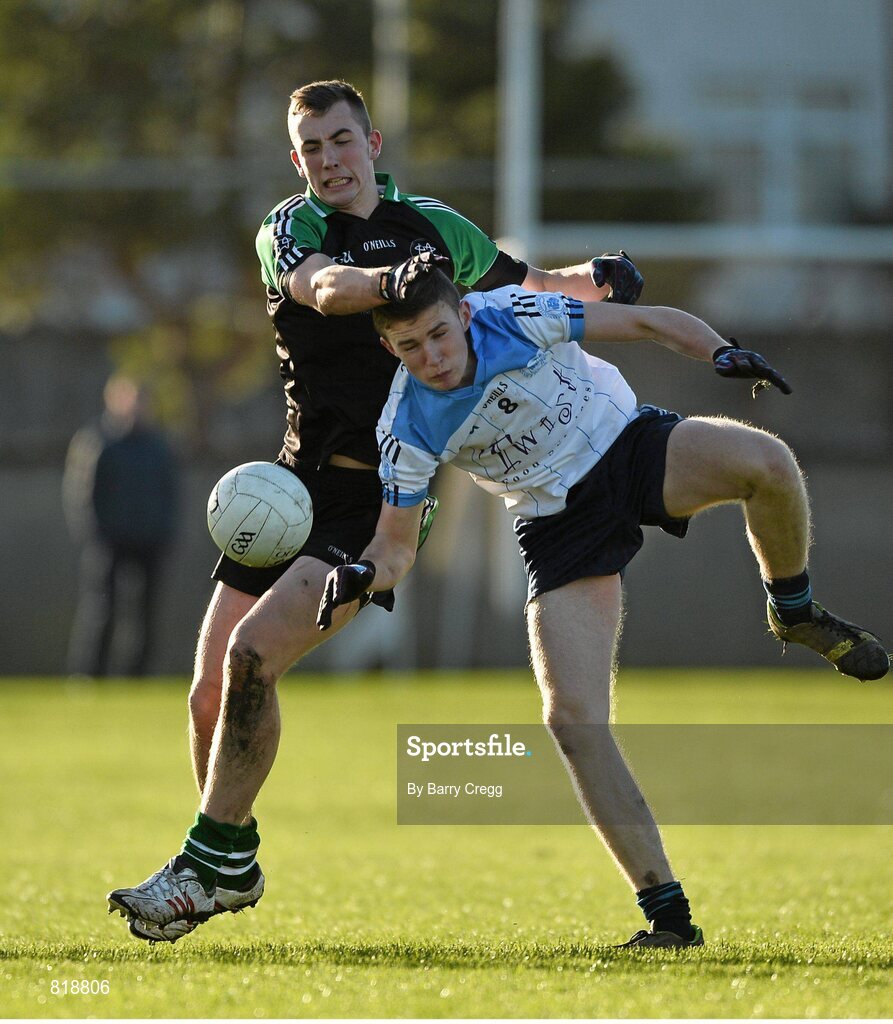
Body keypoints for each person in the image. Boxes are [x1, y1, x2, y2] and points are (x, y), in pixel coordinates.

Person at [106, 79, 646, 943]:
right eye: (311, 147)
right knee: (212, 689)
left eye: (340, 141)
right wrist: (383, 279)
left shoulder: (433, 224)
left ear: (372, 143)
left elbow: (524, 281)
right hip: (291, 488)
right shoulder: (291, 228)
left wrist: (598, 277)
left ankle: (205, 868)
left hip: (378, 497)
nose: (328, 160)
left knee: (253, 657)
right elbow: (321, 289)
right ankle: (230, 855)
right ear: (297, 160)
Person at [313, 265, 890, 947]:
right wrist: (361, 572)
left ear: (463, 315)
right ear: (390, 350)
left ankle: (793, 610)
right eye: (411, 347)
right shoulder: (405, 423)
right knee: (571, 720)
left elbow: (647, 322)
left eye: (438, 334)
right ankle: (668, 919)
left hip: (631, 447)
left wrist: (716, 350)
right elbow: (395, 546)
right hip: (557, 522)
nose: (432, 357)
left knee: (764, 462)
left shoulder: (512, 315)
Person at [63, 374, 178, 677]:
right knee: (102, 610)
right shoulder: (99, 443)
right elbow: (84, 494)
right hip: (110, 541)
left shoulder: (158, 447)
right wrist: (96, 534)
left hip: (149, 541)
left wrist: (165, 532)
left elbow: (170, 494)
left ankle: (138, 676)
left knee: (146, 615)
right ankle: (91, 674)